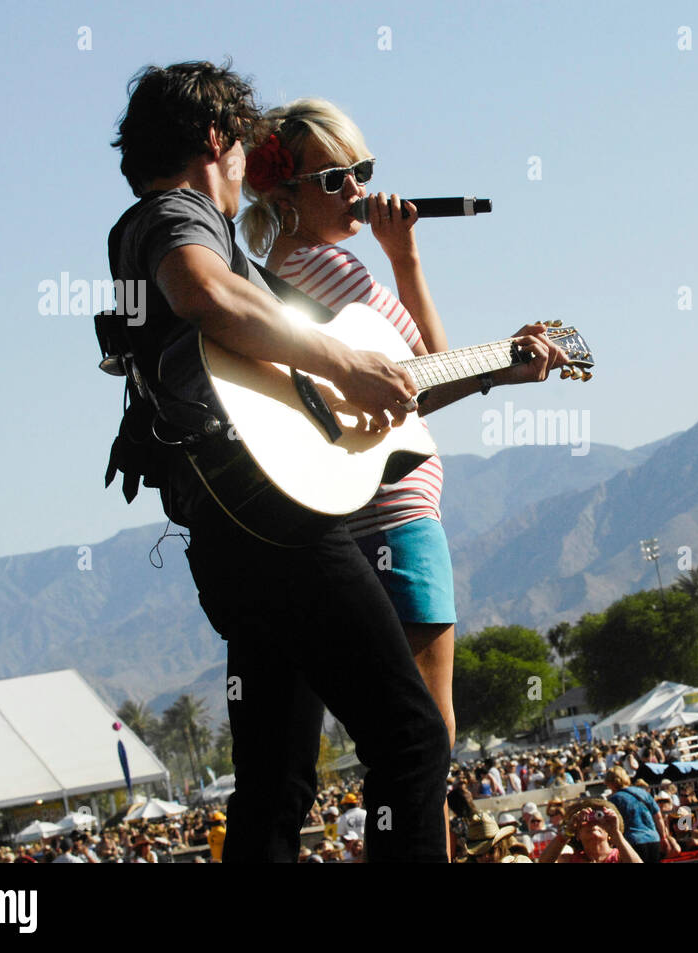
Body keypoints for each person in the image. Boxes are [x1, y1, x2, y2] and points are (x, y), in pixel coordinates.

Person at [106, 62, 460, 862]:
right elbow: (205, 294)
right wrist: (344, 363)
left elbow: (240, 351)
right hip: (279, 528)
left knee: (274, 778)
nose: (243, 175)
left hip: (229, 533)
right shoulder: (175, 214)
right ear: (215, 142)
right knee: (411, 740)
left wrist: (338, 393)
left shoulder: (176, 227)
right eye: (242, 151)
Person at [240, 98, 566, 769]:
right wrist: (405, 257)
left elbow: (400, 394)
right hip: (398, 513)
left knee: (401, 731)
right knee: (429, 727)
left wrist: (497, 372)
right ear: (283, 194)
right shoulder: (332, 269)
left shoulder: (274, 277)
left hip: (348, 518)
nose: (357, 192)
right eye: (334, 180)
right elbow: (429, 369)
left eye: (360, 171)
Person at [536, 798, 643, 863]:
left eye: (598, 818)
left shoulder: (621, 857)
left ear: (608, 834)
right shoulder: (568, 860)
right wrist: (567, 832)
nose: (592, 823)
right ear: (577, 835)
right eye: (586, 820)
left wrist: (616, 833)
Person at [603, 767, 671, 862]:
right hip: (653, 839)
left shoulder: (614, 799)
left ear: (610, 783)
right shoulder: (643, 792)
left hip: (632, 842)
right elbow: (658, 817)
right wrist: (663, 837)